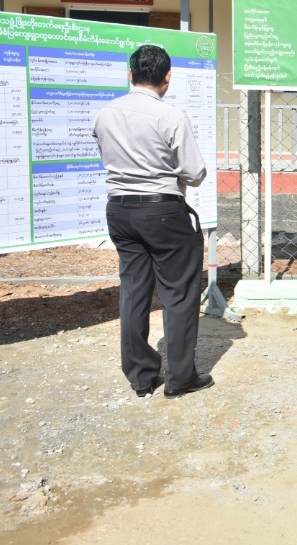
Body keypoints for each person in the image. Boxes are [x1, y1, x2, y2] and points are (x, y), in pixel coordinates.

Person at [92, 45, 211, 399]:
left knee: (133, 290)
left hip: (119, 209)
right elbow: (195, 173)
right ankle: (180, 377)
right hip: (162, 209)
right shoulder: (170, 117)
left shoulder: (104, 114)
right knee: (178, 293)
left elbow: (106, 155)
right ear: (167, 77)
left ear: (130, 75)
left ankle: (141, 376)